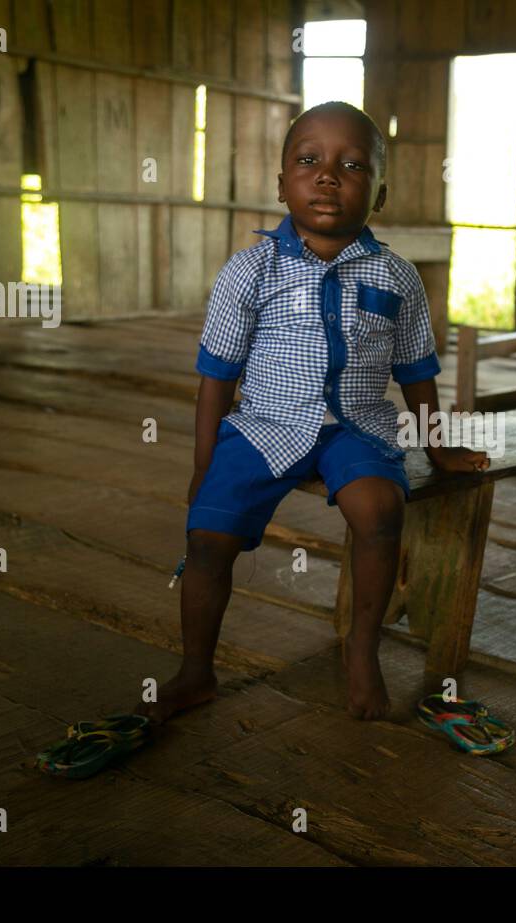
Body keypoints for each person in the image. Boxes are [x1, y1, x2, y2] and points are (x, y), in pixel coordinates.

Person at [139, 101, 488, 724]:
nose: (329, 175)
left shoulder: (398, 276)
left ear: (378, 195)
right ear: (282, 184)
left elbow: (416, 373)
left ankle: (362, 652)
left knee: (380, 509)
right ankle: (196, 670)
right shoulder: (249, 271)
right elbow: (217, 379)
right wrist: (203, 467)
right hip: (264, 425)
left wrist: (435, 445)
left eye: (353, 165)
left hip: (355, 427)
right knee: (207, 536)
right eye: (309, 160)